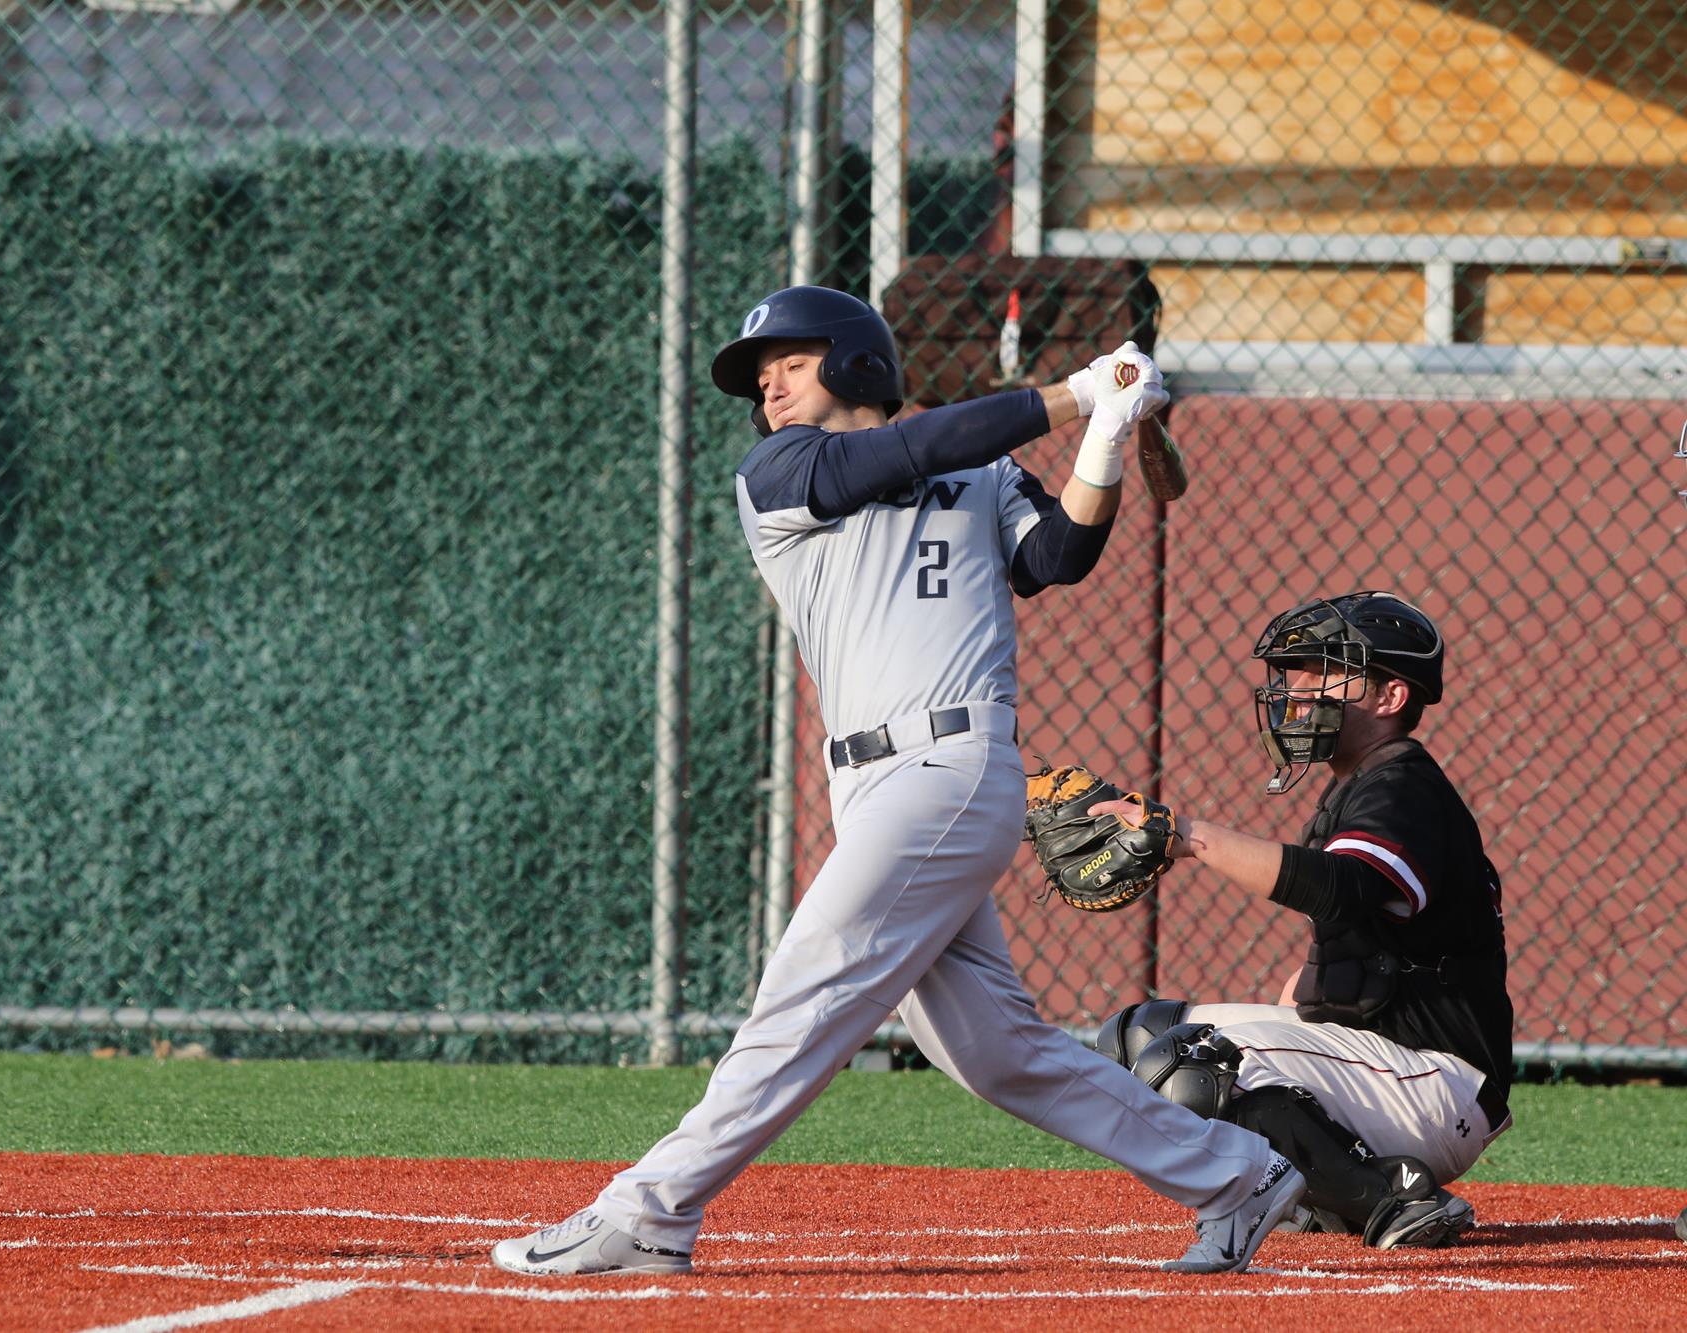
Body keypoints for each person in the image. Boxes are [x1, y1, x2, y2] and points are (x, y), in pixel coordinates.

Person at [491, 285, 1305, 1279]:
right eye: (761, 377)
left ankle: (649, 1211)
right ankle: (1234, 1173)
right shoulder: (782, 469)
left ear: (850, 361)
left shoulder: (982, 467)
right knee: (996, 1050)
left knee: (803, 992)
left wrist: (1108, 430)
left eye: (789, 364)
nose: (770, 389)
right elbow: (904, 454)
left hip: (947, 768)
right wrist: (1075, 395)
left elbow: (1057, 554)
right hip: (874, 787)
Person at [1091, 590, 1512, 1249]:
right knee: (1136, 1037)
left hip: (1437, 1081)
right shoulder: (1365, 785)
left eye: (1325, 669)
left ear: (1390, 697)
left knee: (1188, 1059)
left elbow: (1345, 888)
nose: (1297, 687)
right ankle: (1330, 1189)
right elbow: (1367, 937)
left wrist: (1187, 835)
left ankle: (1390, 1200)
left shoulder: (1402, 787)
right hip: (1394, 1069)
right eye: (1295, 671)